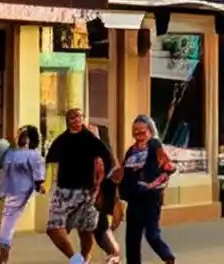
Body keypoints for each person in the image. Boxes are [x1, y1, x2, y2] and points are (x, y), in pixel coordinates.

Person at [45, 108, 114, 264]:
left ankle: (84, 259)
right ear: (67, 121)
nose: (76, 120)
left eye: (78, 117)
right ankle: (75, 259)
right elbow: (50, 161)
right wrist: (47, 183)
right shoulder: (62, 140)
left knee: (86, 229)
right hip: (64, 191)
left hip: (87, 192)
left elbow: (107, 157)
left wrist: (102, 182)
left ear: (82, 119)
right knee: (53, 228)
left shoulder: (90, 139)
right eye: (72, 118)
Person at [118, 115, 176, 264]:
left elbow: (168, 168)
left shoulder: (155, 145)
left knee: (152, 234)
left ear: (150, 131)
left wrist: (152, 185)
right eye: (135, 130)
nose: (138, 133)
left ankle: (168, 257)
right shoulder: (131, 151)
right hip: (134, 198)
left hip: (150, 199)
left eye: (142, 130)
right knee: (132, 239)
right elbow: (124, 173)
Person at [0, 126, 46, 264]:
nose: (20, 137)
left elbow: (38, 173)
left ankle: (3, 257)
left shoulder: (33, 155)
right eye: (20, 135)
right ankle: (3, 255)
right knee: (6, 223)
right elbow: (4, 171)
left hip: (22, 191)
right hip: (12, 191)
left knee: (8, 223)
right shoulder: (13, 153)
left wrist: (39, 184)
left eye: (24, 135)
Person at [88, 124, 123, 264]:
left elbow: (114, 175)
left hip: (100, 198)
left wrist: (116, 203)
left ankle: (114, 254)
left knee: (100, 228)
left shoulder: (105, 158)